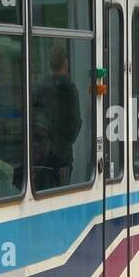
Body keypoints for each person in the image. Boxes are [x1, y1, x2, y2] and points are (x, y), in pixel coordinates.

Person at [31, 44, 82, 189]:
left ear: (49, 64)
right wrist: (65, 143)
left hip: (42, 156)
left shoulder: (40, 87)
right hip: (62, 156)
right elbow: (75, 122)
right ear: (66, 64)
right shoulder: (70, 89)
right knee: (61, 192)